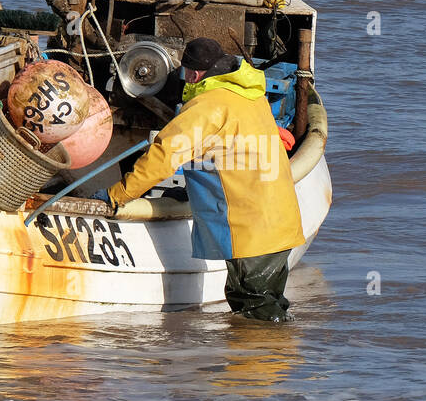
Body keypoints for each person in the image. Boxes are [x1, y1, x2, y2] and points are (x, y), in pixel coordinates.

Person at [106, 37, 305, 321]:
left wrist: (118, 194)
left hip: (250, 230)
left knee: (253, 311)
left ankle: (258, 362)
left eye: (185, 73)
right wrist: (192, 192)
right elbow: (236, 157)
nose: (185, 81)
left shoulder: (207, 106)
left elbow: (163, 157)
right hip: (280, 222)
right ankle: (279, 359)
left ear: (195, 74)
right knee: (271, 308)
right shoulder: (252, 97)